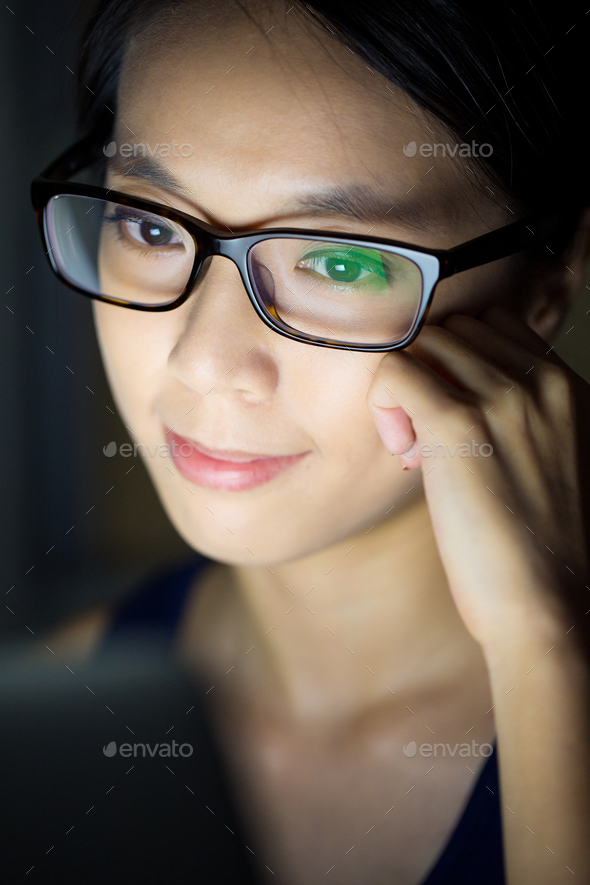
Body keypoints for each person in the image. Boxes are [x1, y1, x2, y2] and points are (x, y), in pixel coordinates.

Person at [34, 0, 590, 882]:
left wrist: (544, 653)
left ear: (547, 285)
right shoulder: (52, 724)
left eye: (340, 260)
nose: (206, 362)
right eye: (148, 224)